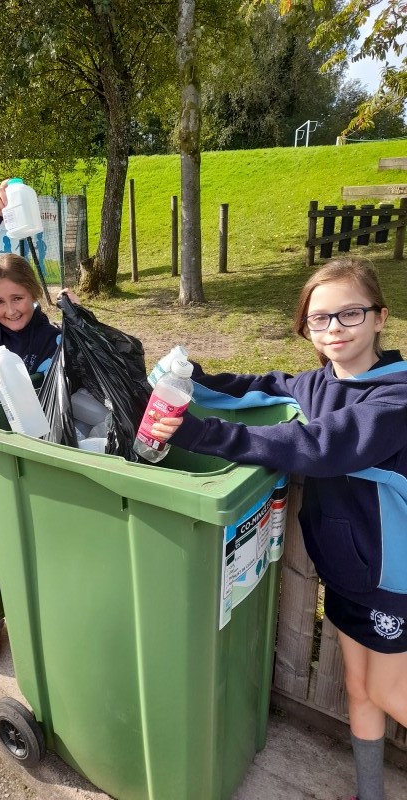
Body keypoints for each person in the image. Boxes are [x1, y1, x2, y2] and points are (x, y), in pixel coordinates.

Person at [151, 258, 407, 800]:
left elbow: (319, 447)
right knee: (359, 687)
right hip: (346, 570)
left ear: (381, 317)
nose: (334, 329)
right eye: (319, 320)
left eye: (350, 314)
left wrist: (200, 434)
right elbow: (254, 389)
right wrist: (188, 376)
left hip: (393, 578)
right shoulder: (314, 385)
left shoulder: (396, 398)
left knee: (389, 688)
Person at [0, 179, 79, 665]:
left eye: (18, 299)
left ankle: (41, 611)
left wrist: (79, 324)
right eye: (0, 302)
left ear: (33, 295)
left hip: (43, 450)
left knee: (37, 533)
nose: (10, 310)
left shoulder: (54, 339)